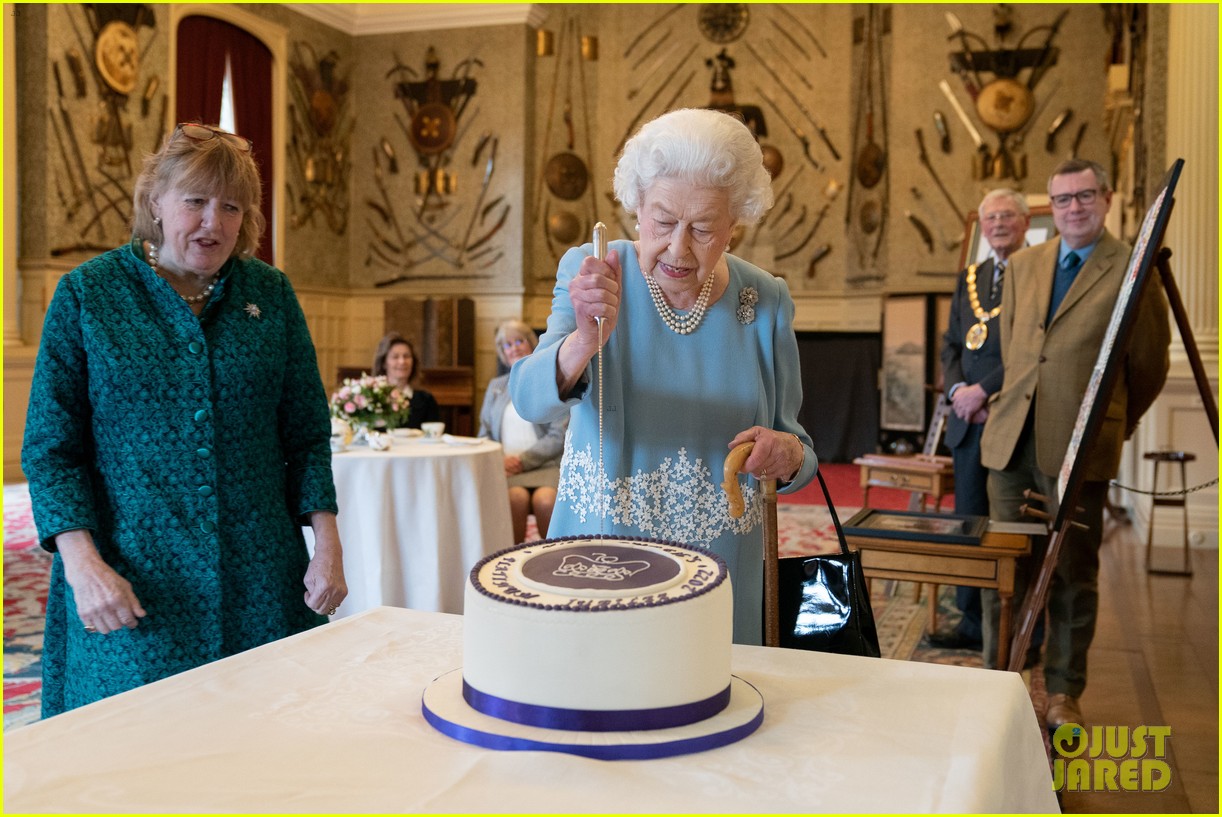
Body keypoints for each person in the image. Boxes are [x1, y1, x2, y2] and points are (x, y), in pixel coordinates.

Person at [21, 123, 348, 718]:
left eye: (231, 207)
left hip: (261, 576)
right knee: (137, 748)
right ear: (156, 202)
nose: (212, 223)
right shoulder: (88, 295)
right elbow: (50, 448)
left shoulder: (269, 294)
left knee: (262, 737)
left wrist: (326, 544)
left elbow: (304, 433)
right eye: (195, 201)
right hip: (135, 578)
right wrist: (82, 564)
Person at [510, 108, 817, 645]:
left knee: (712, 712)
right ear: (635, 208)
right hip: (601, 560)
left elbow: (800, 448)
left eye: (702, 228)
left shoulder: (764, 299)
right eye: (662, 221)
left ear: (733, 225)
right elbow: (529, 401)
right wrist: (583, 339)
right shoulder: (593, 269)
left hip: (721, 568)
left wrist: (786, 453)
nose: (678, 247)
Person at [979, 158, 1171, 728]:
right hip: (1010, 445)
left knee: (1070, 576)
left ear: (1106, 199)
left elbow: (1150, 368)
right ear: (1051, 208)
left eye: (1085, 196)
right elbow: (1018, 354)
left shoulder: (1131, 271)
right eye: (1062, 200)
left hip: (1077, 453)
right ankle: (1004, 677)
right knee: (1006, 569)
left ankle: (1064, 691)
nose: (1074, 208)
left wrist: (1112, 425)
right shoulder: (1026, 264)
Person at [933, 188, 1030, 651]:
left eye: (1007, 215)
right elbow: (951, 343)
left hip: (1012, 419)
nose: (997, 224)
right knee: (968, 522)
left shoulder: (1038, 276)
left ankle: (1021, 630)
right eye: (990, 217)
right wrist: (957, 391)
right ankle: (971, 624)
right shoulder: (972, 276)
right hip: (967, 421)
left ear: (1026, 222)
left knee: (1010, 528)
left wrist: (983, 390)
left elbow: (1031, 350)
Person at [478, 320, 568, 543]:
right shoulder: (496, 387)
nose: (514, 348)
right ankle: (510, 565)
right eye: (507, 345)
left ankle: (557, 561)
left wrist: (522, 461)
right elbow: (484, 434)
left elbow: (558, 435)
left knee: (545, 500)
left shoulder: (549, 382)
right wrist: (502, 461)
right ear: (502, 352)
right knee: (514, 499)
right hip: (507, 470)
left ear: (531, 344)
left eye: (519, 341)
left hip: (545, 466)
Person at [371, 332, 440, 429]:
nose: (402, 361)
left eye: (406, 356)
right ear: (384, 363)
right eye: (395, 357)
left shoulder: (426, 400)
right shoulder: (371, 399)